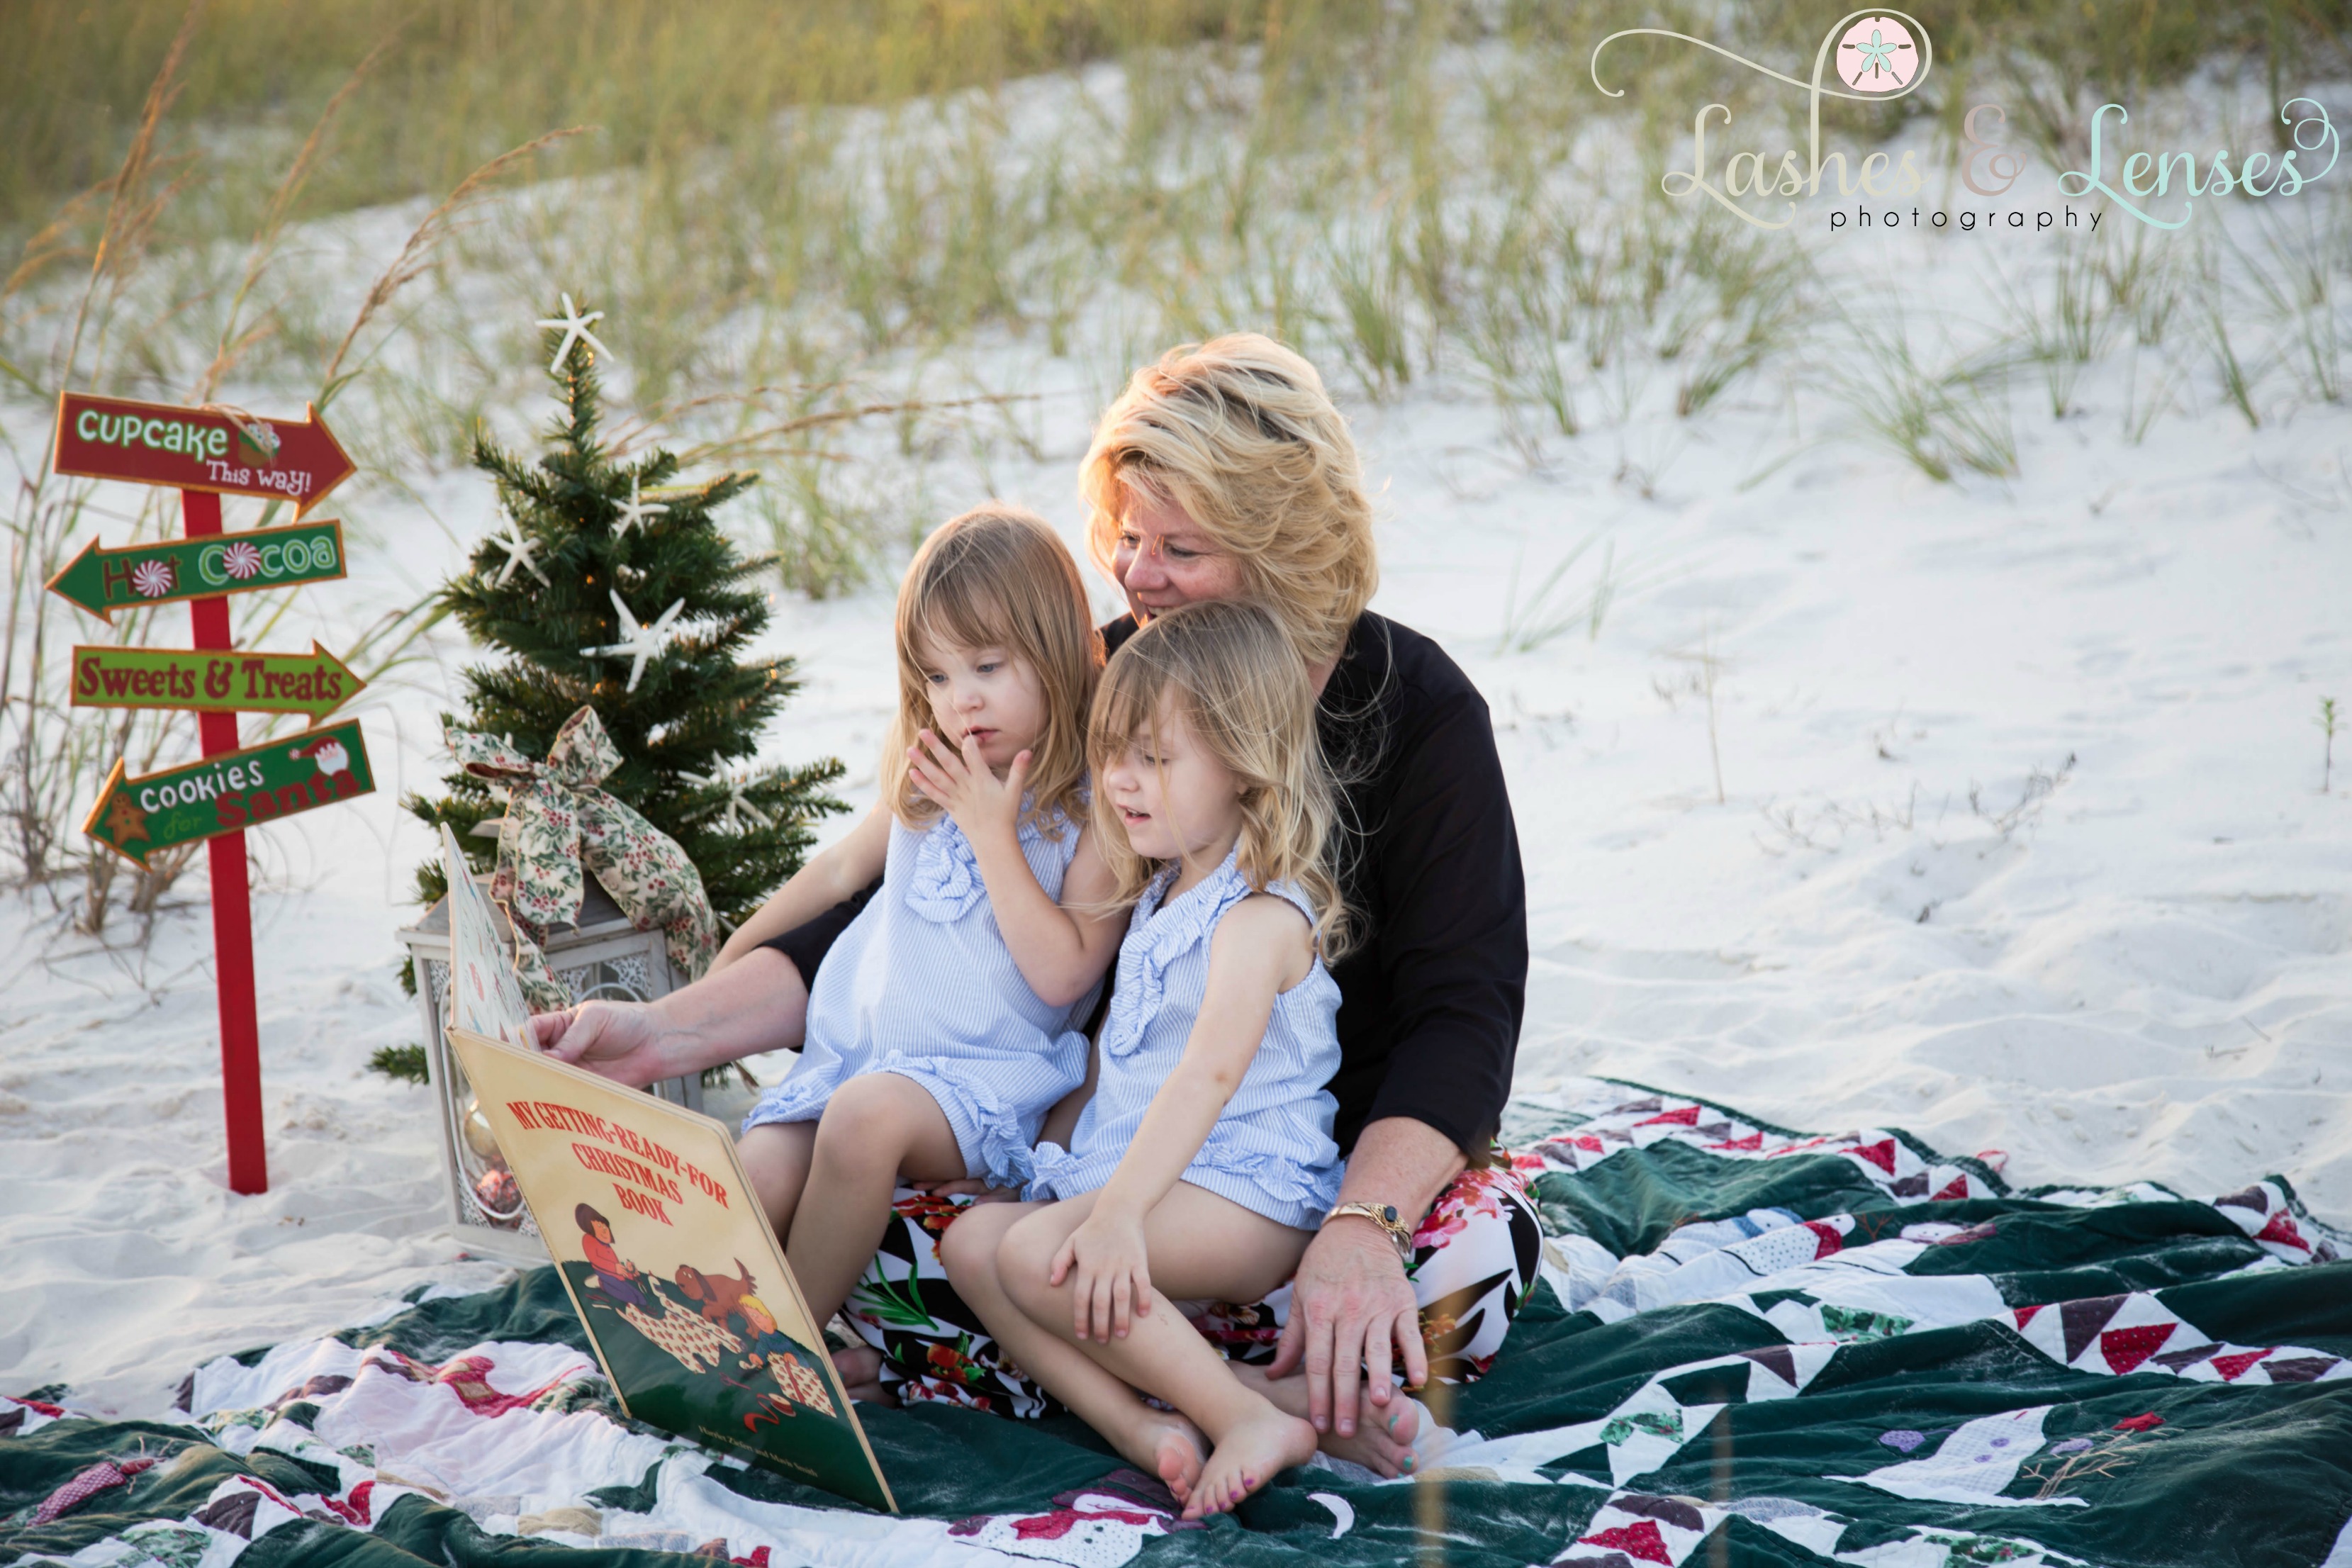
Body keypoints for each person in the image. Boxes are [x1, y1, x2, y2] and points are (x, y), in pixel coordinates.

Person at [534, 335, 1534, 1469]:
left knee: (1475, 1265)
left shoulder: (1419, 713)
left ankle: (1017, 1361)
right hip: (1095, 1161)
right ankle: (1225, 1384)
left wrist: (1362, 1225)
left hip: (1300, 1173)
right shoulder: (1108, 677)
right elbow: (877, 921)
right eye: (1125, 535)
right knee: (881, 1210)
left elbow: (1466, 1010)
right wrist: (662, 1033)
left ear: (1284, 544)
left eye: (1179, 547)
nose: (1133, 574)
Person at [943, 601, 1351, 1515]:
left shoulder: (1256, 918)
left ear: (1246, 765)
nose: (1122, 782)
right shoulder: (1162, 893)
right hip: (1156, 1176)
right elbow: (1112, 1062)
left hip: (1248, 1190)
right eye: (1112, 753)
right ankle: (1150, 1426)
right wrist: (1046, 1165)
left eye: (1155, 759)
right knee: (977, 1243)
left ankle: (1246, 1419)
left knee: (1042, 1254)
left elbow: (1206, 1075)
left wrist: (1117, 1212)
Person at [721, 504, 1126, 1328]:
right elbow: (839, 867)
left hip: (984, 1075)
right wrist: (742, 943)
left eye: (985, 665)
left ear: (1056, 650)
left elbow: (1065, 972)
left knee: (866, 1119)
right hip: (861, 1055)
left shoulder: (1097, 802)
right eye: (937, 678)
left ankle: (784, 1359)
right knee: (755, 1173)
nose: (960, 700)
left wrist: (991, 830)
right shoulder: (934, 773)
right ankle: (704, 1343)